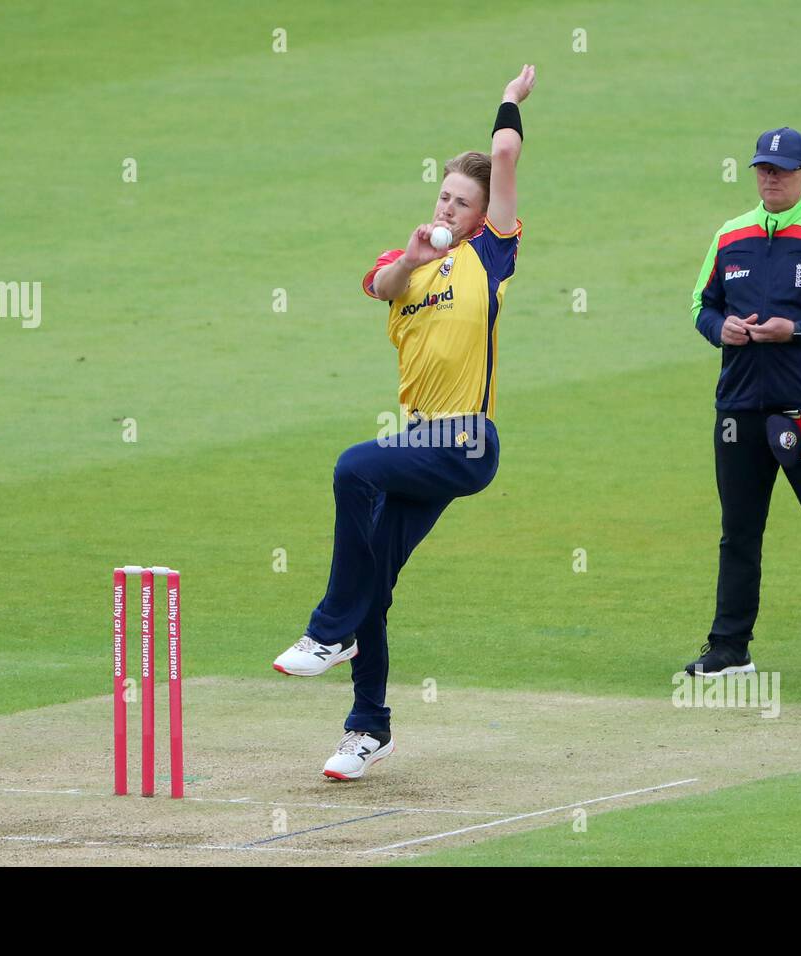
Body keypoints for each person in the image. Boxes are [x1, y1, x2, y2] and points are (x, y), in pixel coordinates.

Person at [271, 65, 537, 779]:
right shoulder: (407, 261)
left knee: (354, 466)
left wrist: (508, 103)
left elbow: (505, 157)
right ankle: (368, 728)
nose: (449, 207)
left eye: (462, 200)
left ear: (484, 215)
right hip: (420, 438)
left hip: (466, 440)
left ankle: (329, 632)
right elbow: (379, 284)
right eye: (444, 195)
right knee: (375, 586)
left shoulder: (492, 253)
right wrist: (413, 256)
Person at [687, 127, 801, 681]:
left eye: (782, 169)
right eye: (763, 169)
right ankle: (729, 647)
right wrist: (722, 329)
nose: (770, 177)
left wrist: (794, 330)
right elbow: (702, 306)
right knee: (738, 530)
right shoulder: (730, 237)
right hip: (739, 408)